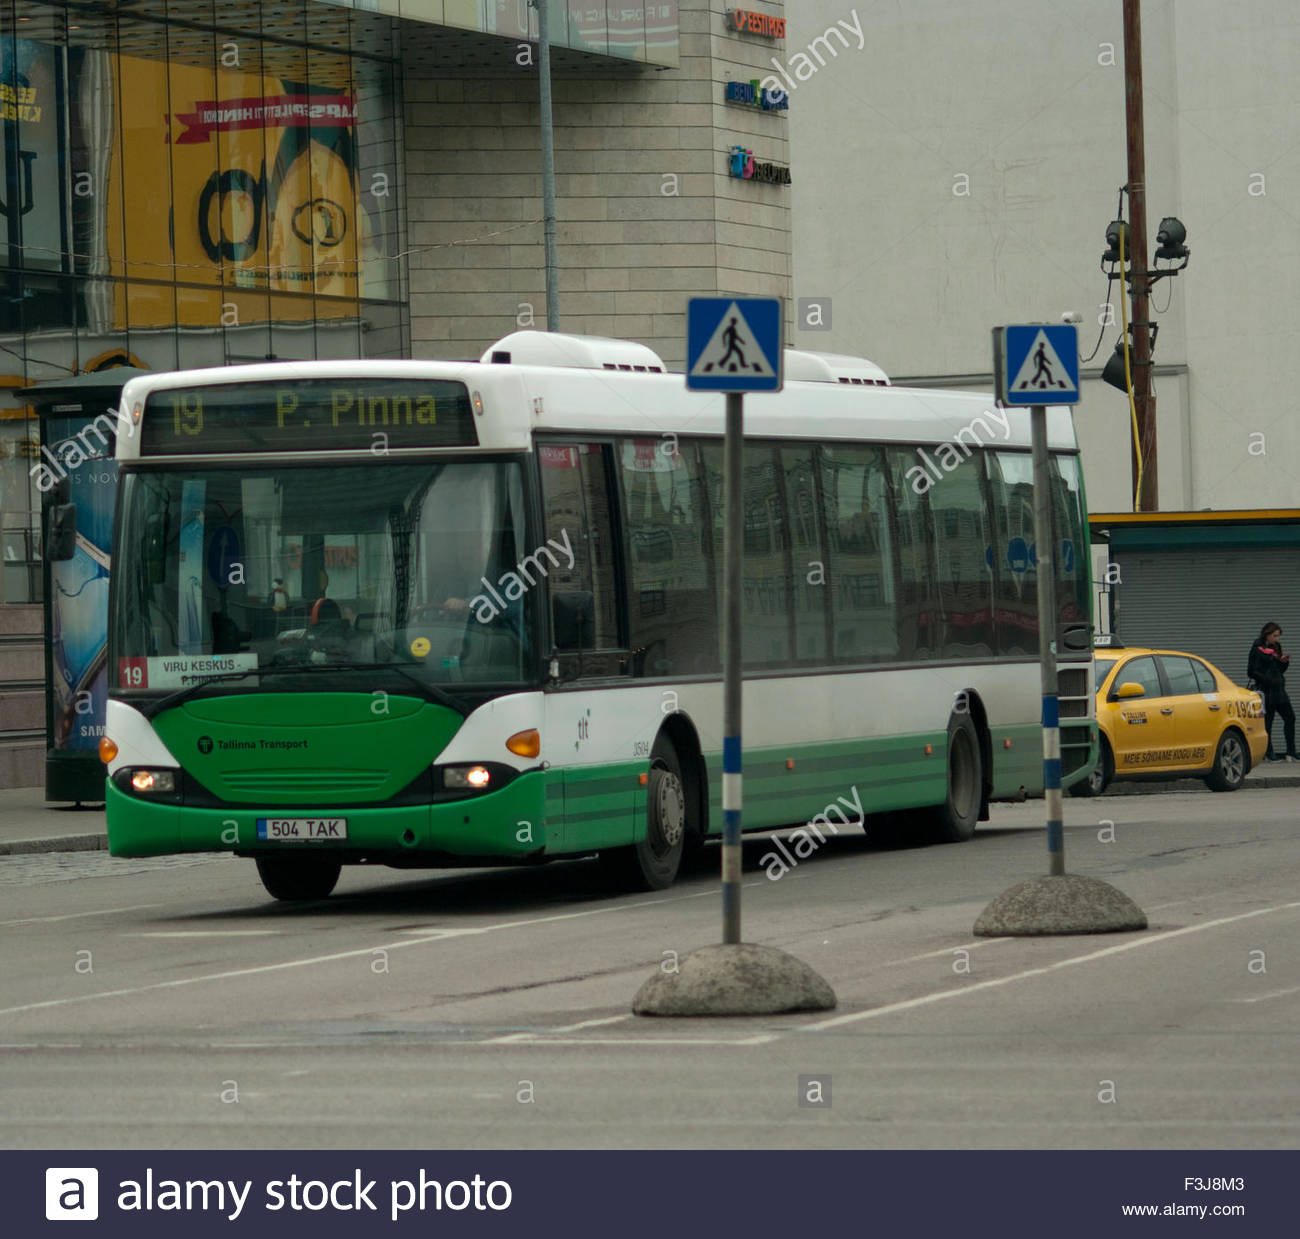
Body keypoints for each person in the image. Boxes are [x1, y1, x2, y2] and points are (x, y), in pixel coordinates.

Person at [1247, 622, 1296, 761]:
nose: (1277, 639)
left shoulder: (1276, 647)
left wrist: (1284, 662)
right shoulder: (1257, 649)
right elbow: (1251, 671)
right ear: (1267, 635)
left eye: (1278, 636)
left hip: (1279, 690)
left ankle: (1291, 752)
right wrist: (1266, 679)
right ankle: (1269, 753)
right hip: (1266, 690)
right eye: (1275, 636)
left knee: (1290, 718)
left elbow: (1280, 669)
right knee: (1268, 722)